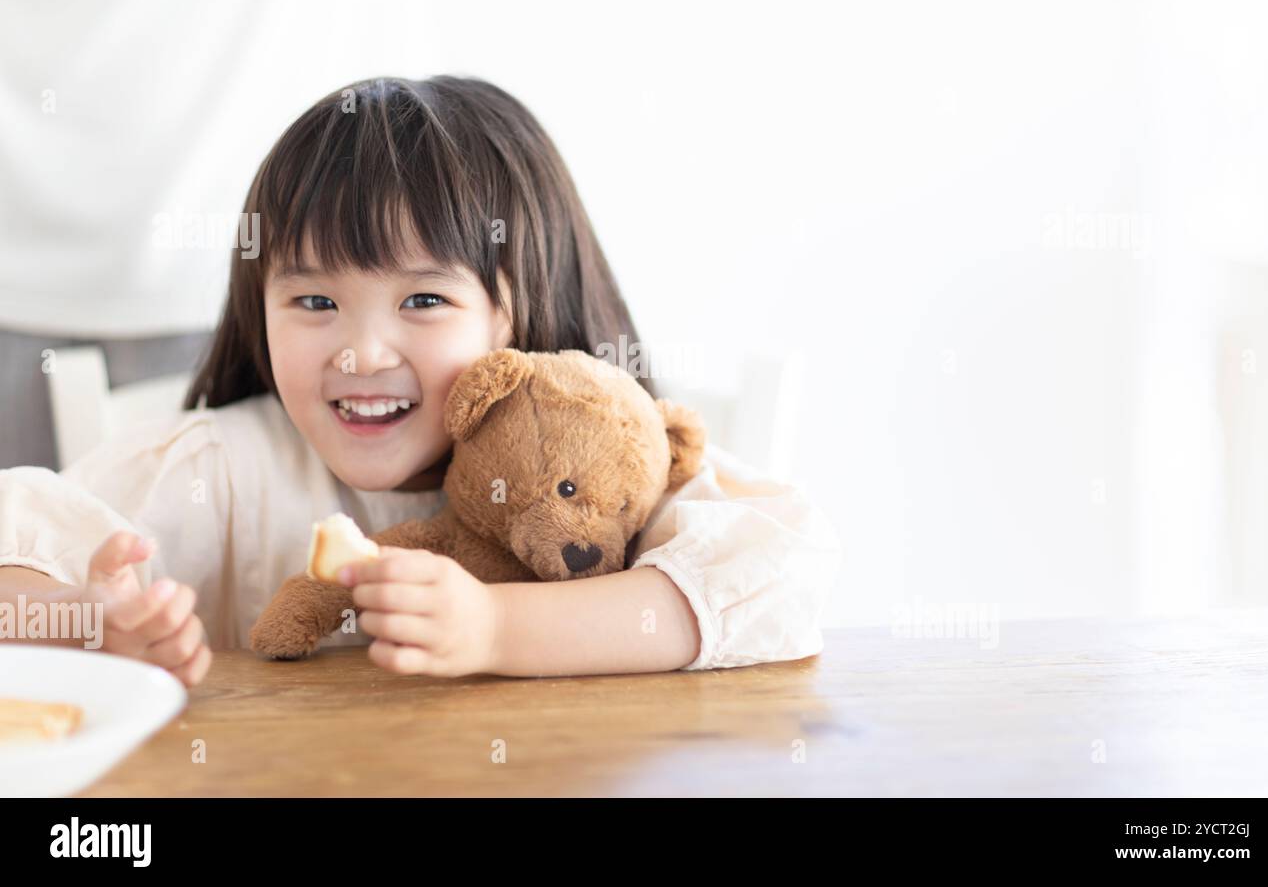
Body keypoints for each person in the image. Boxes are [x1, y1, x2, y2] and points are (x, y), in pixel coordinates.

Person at [0, 76, 841, 687]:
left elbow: (785, 580)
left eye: (425, 299)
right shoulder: (214, 472)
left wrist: (495, 629)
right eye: (316, 299)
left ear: (512, 316)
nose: (363, 352)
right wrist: (83, 624)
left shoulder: (612, 468)